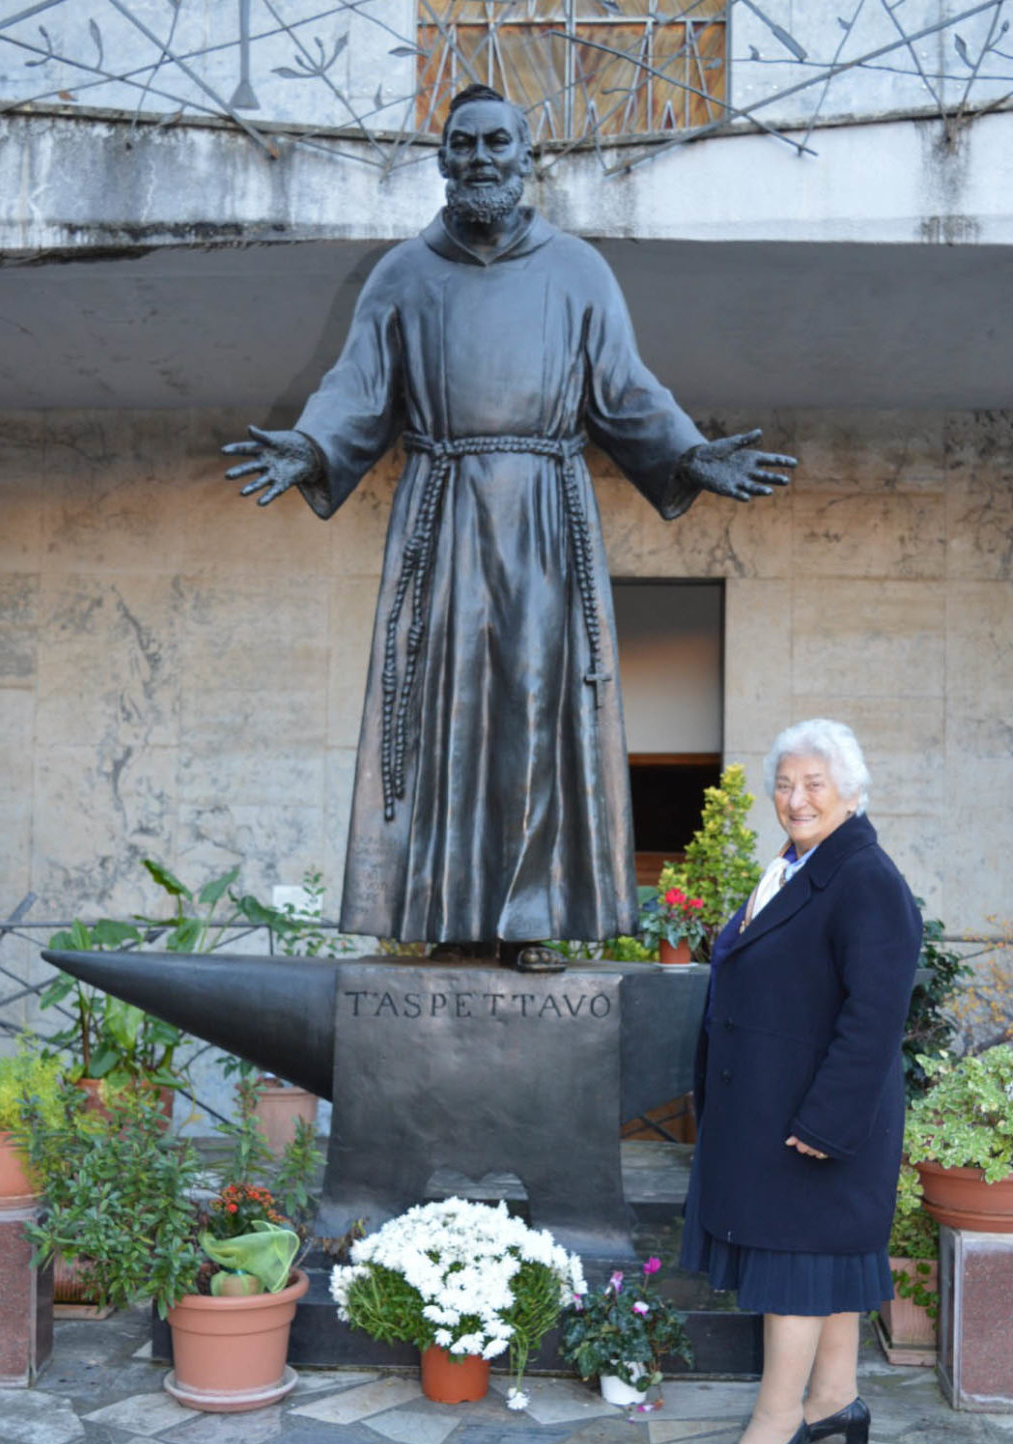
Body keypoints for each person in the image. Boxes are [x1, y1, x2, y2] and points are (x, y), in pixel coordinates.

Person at [223, 84, 795, 953]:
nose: (481, 158)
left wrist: (686, 454)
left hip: (543, 516)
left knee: (536, 706)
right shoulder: (403, 274)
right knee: (443, 709)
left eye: (498, 143)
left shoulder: (576, 271)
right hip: (442, 510)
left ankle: (533, 919)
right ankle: (450, 920)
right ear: (442, 160)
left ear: (527, 159)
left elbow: (625, 388)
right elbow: (357, 389)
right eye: (464, 144)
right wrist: (310, 446)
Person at [680, 718, 922, 1444]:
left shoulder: (865, 878)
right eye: (784, 783)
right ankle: (834, 1398)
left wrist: (828, 1119)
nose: (795, 797)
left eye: (813, 783)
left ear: (851, 791)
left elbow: (876, 1015)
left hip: (819, 1116)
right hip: (777, 1107)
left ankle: (776, 1424)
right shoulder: (792, 866)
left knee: (795, 1268)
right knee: (828, 1262)